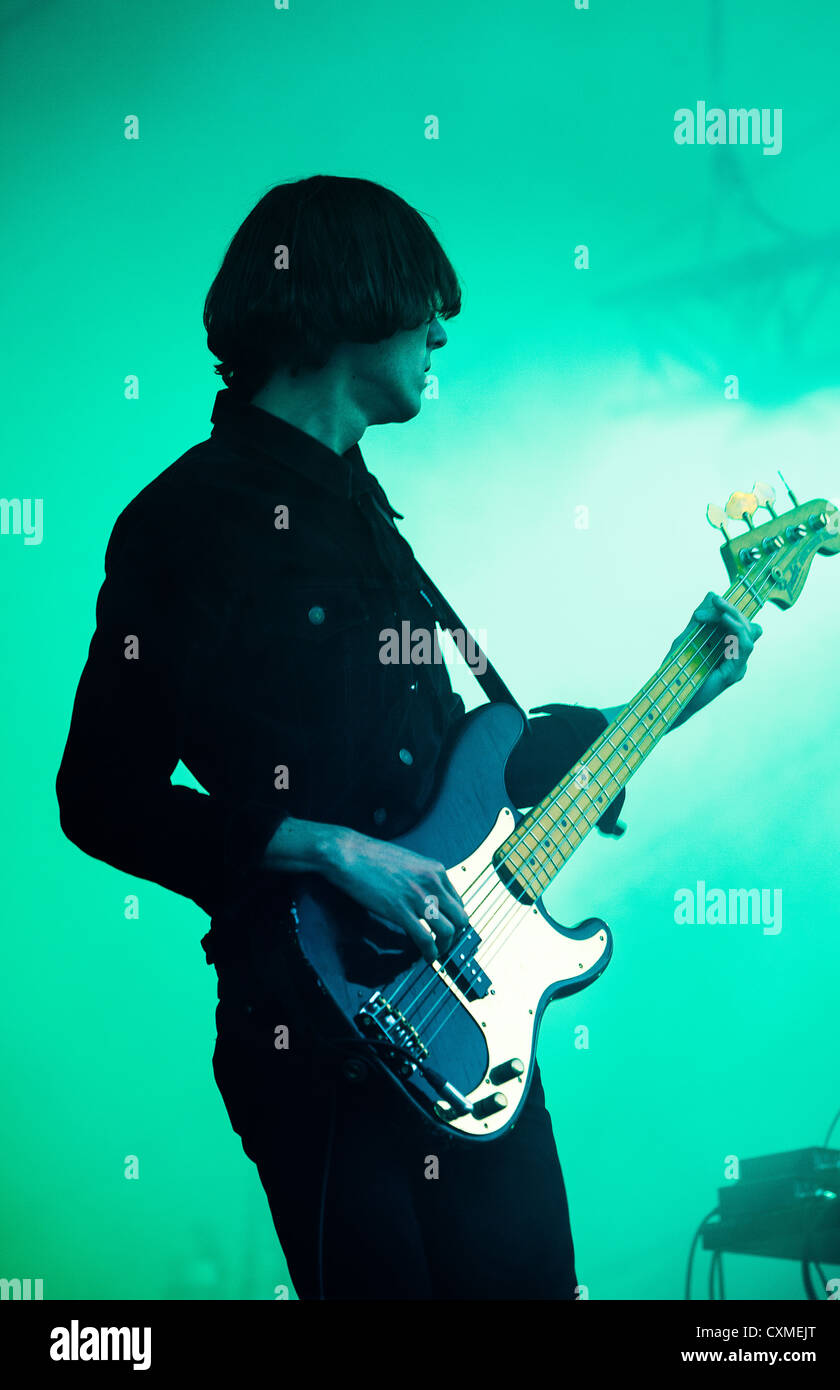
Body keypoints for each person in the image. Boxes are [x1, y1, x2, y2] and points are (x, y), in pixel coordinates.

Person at [56, 174, 761, 1300]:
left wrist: (677, 690)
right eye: (424, 302)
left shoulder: (366, 515)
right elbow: (97, 794)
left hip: (468, 1030)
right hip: (320, 1026)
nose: (441, 331)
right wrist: (326, 847)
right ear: (348, 297)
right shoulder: (185, 521)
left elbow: (478, 766)